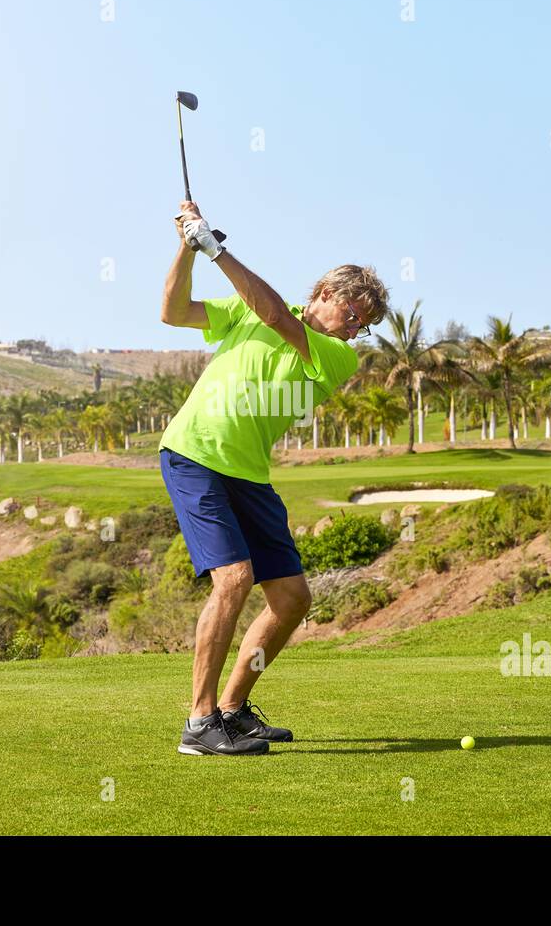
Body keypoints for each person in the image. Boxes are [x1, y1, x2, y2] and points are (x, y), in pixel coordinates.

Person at [159, 200, 390, 755]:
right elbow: (172, 311)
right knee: (234, 581)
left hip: (248, 474)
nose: (357, 330)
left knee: (291, 599)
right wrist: (186, 247)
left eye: (365, 325)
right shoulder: (248, 311)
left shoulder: (337, 355)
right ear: (327, 293)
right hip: (195, 455)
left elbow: (276, 318)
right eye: (354, 314)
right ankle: (199, 723)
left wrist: (215, 248)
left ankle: (232, 711)